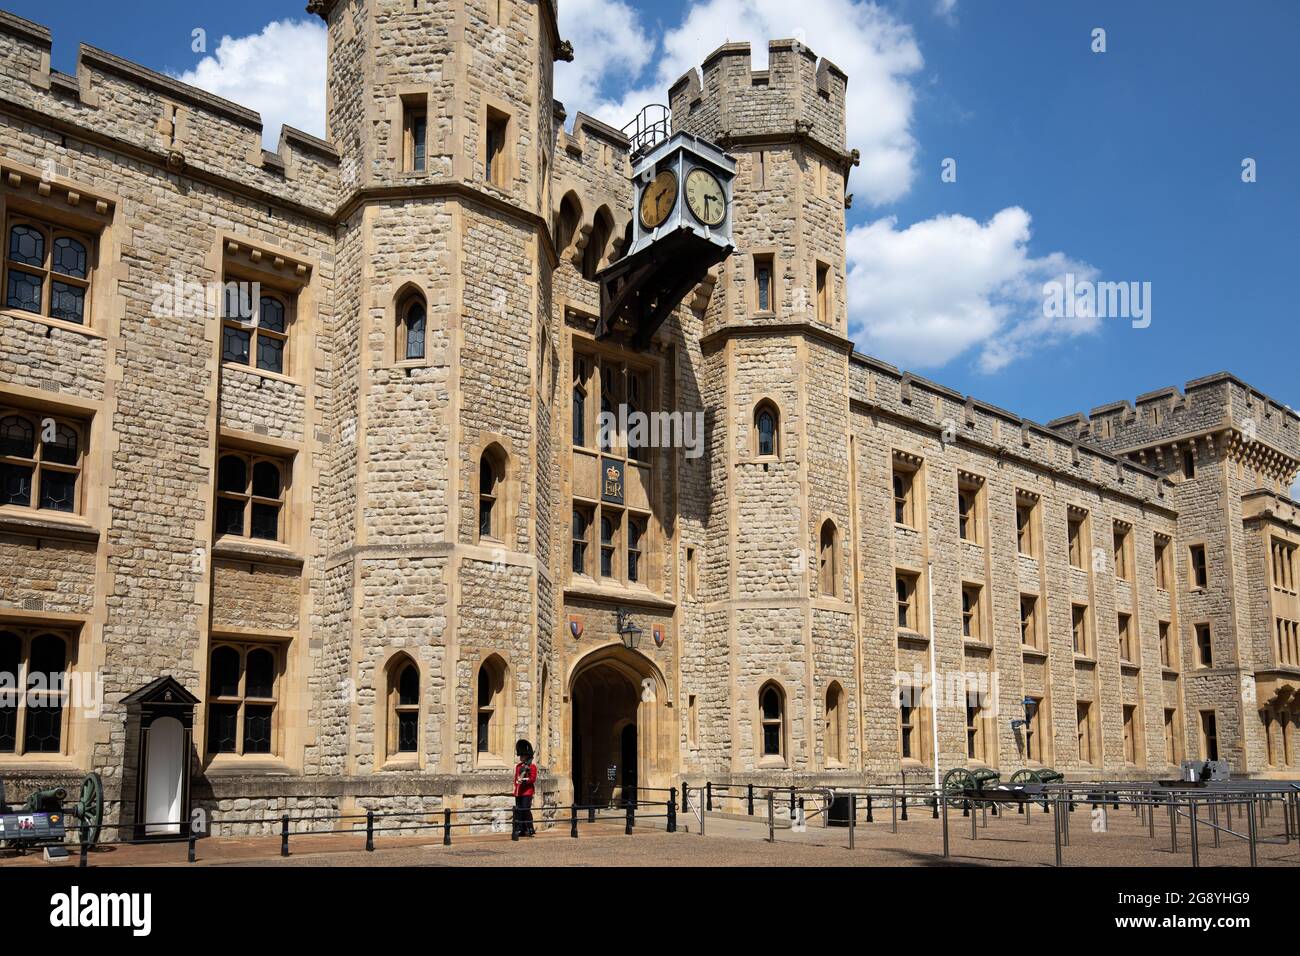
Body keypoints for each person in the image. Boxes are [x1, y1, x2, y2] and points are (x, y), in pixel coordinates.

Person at [513, 739, 537, 838]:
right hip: (519, 791)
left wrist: (525, 780)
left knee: (525, 809)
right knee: (519, 811)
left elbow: (532, 779)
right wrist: (517, 782)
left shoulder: (532, 767)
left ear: (527, 755)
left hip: (527, 792)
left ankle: (530, 828)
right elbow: (515, 778)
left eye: (522, 755)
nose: (521, 757)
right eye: (520, 755)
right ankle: (521, 829)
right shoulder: (518, 767)